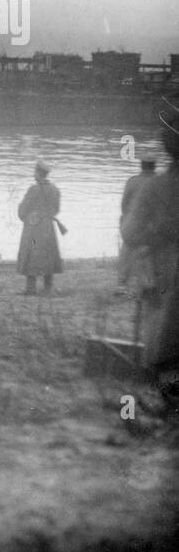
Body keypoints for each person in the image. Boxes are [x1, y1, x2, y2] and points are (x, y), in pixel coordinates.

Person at [122, 114, 179, 388]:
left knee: (161, 337)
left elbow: (130, 232)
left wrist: (156, 234)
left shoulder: (154, 186)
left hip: (164, 270)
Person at [17, 159, 64, 296]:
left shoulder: (33, 189)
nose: (34, 175)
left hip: (33, 227)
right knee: (48, 256)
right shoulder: (55, 189)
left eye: (35, 172)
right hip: (48, 227)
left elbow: (22, 210)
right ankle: (48, 287)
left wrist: (26, 217)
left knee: (30, 255)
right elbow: (56, 209)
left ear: (38, 173)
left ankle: (30, 288)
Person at [119, 156, 157, 289]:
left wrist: (128, 219)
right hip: (152, 228)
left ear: (141, 166)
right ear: (154, 166)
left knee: (127, 250)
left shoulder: (132, 181)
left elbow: (123, 205)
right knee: (152, 253)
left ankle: (122, 284)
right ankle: (150, 283)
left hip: (132, 226)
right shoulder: (159, 182)